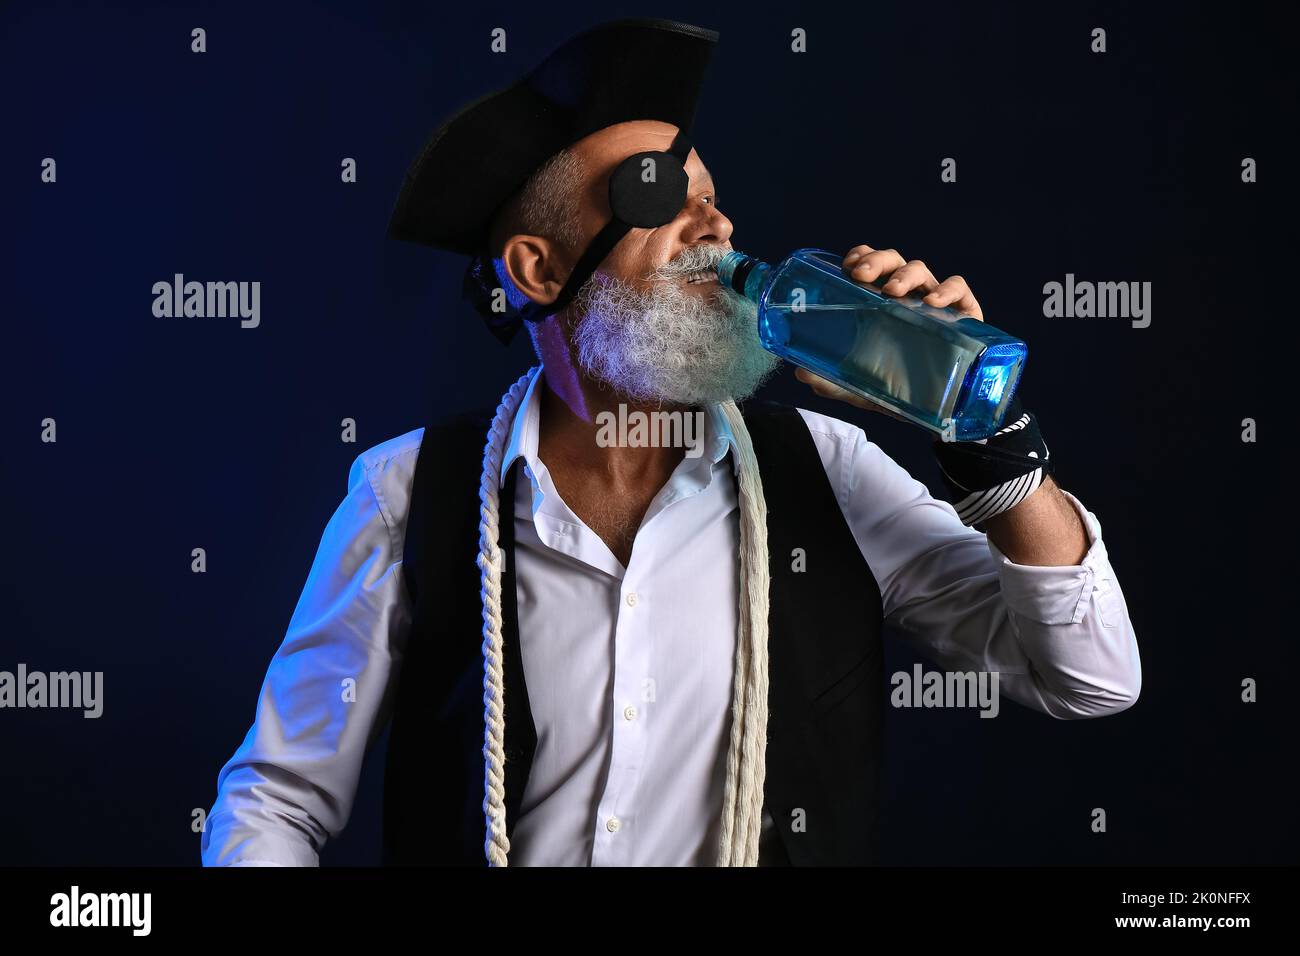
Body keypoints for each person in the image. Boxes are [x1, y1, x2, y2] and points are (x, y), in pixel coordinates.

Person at [202, 18, 1140, 868]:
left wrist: (990, 441)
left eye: (711, 196)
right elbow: (276, 801)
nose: (716, 227)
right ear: (538, 268)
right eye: (656, 195)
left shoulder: (827, 472)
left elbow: (1092, 680)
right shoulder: (410, 495)